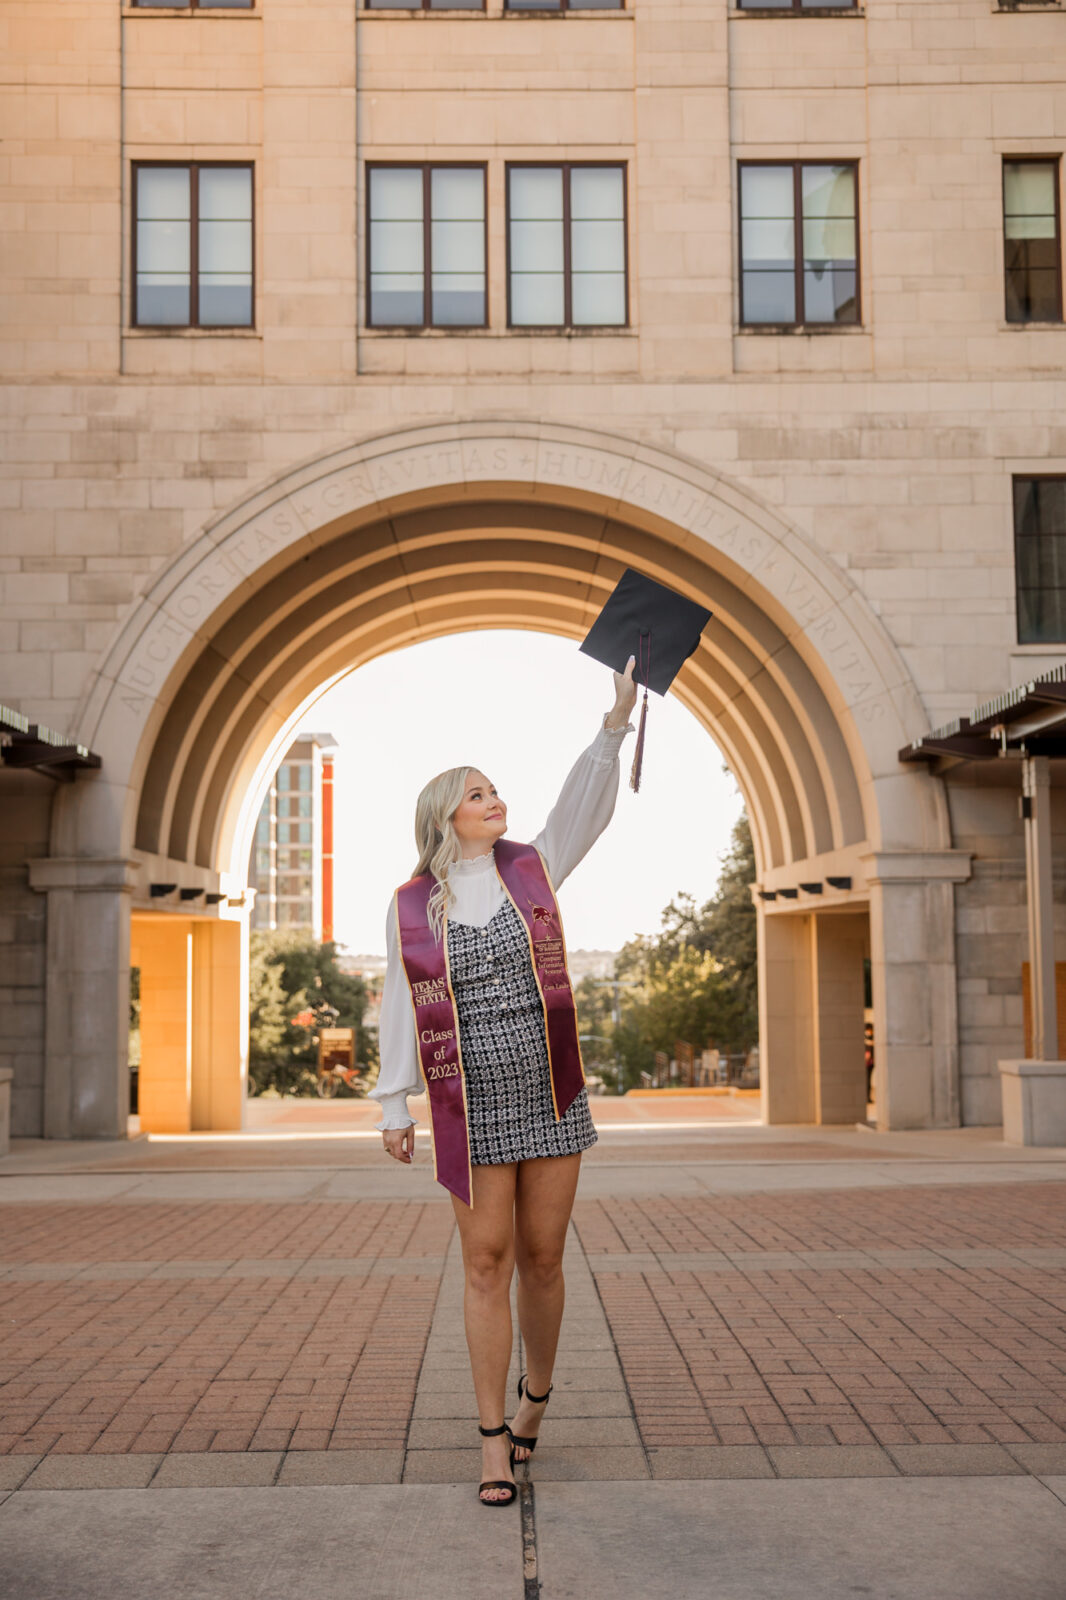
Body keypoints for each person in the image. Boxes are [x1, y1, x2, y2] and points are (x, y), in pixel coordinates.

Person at [371, 660, 637, 1506]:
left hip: (551, 1092)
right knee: (484, 1262)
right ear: (446, 814)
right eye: (478, 793)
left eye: (496, 790)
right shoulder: (416, 903)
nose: (496, 800)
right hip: (469, 1104)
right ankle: (491, 1443)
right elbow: (397, 999)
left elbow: (580, 812)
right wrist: (392, 1101)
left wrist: (613, 726)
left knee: (544, 1259)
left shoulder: (535, 866)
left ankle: (536, 1401)